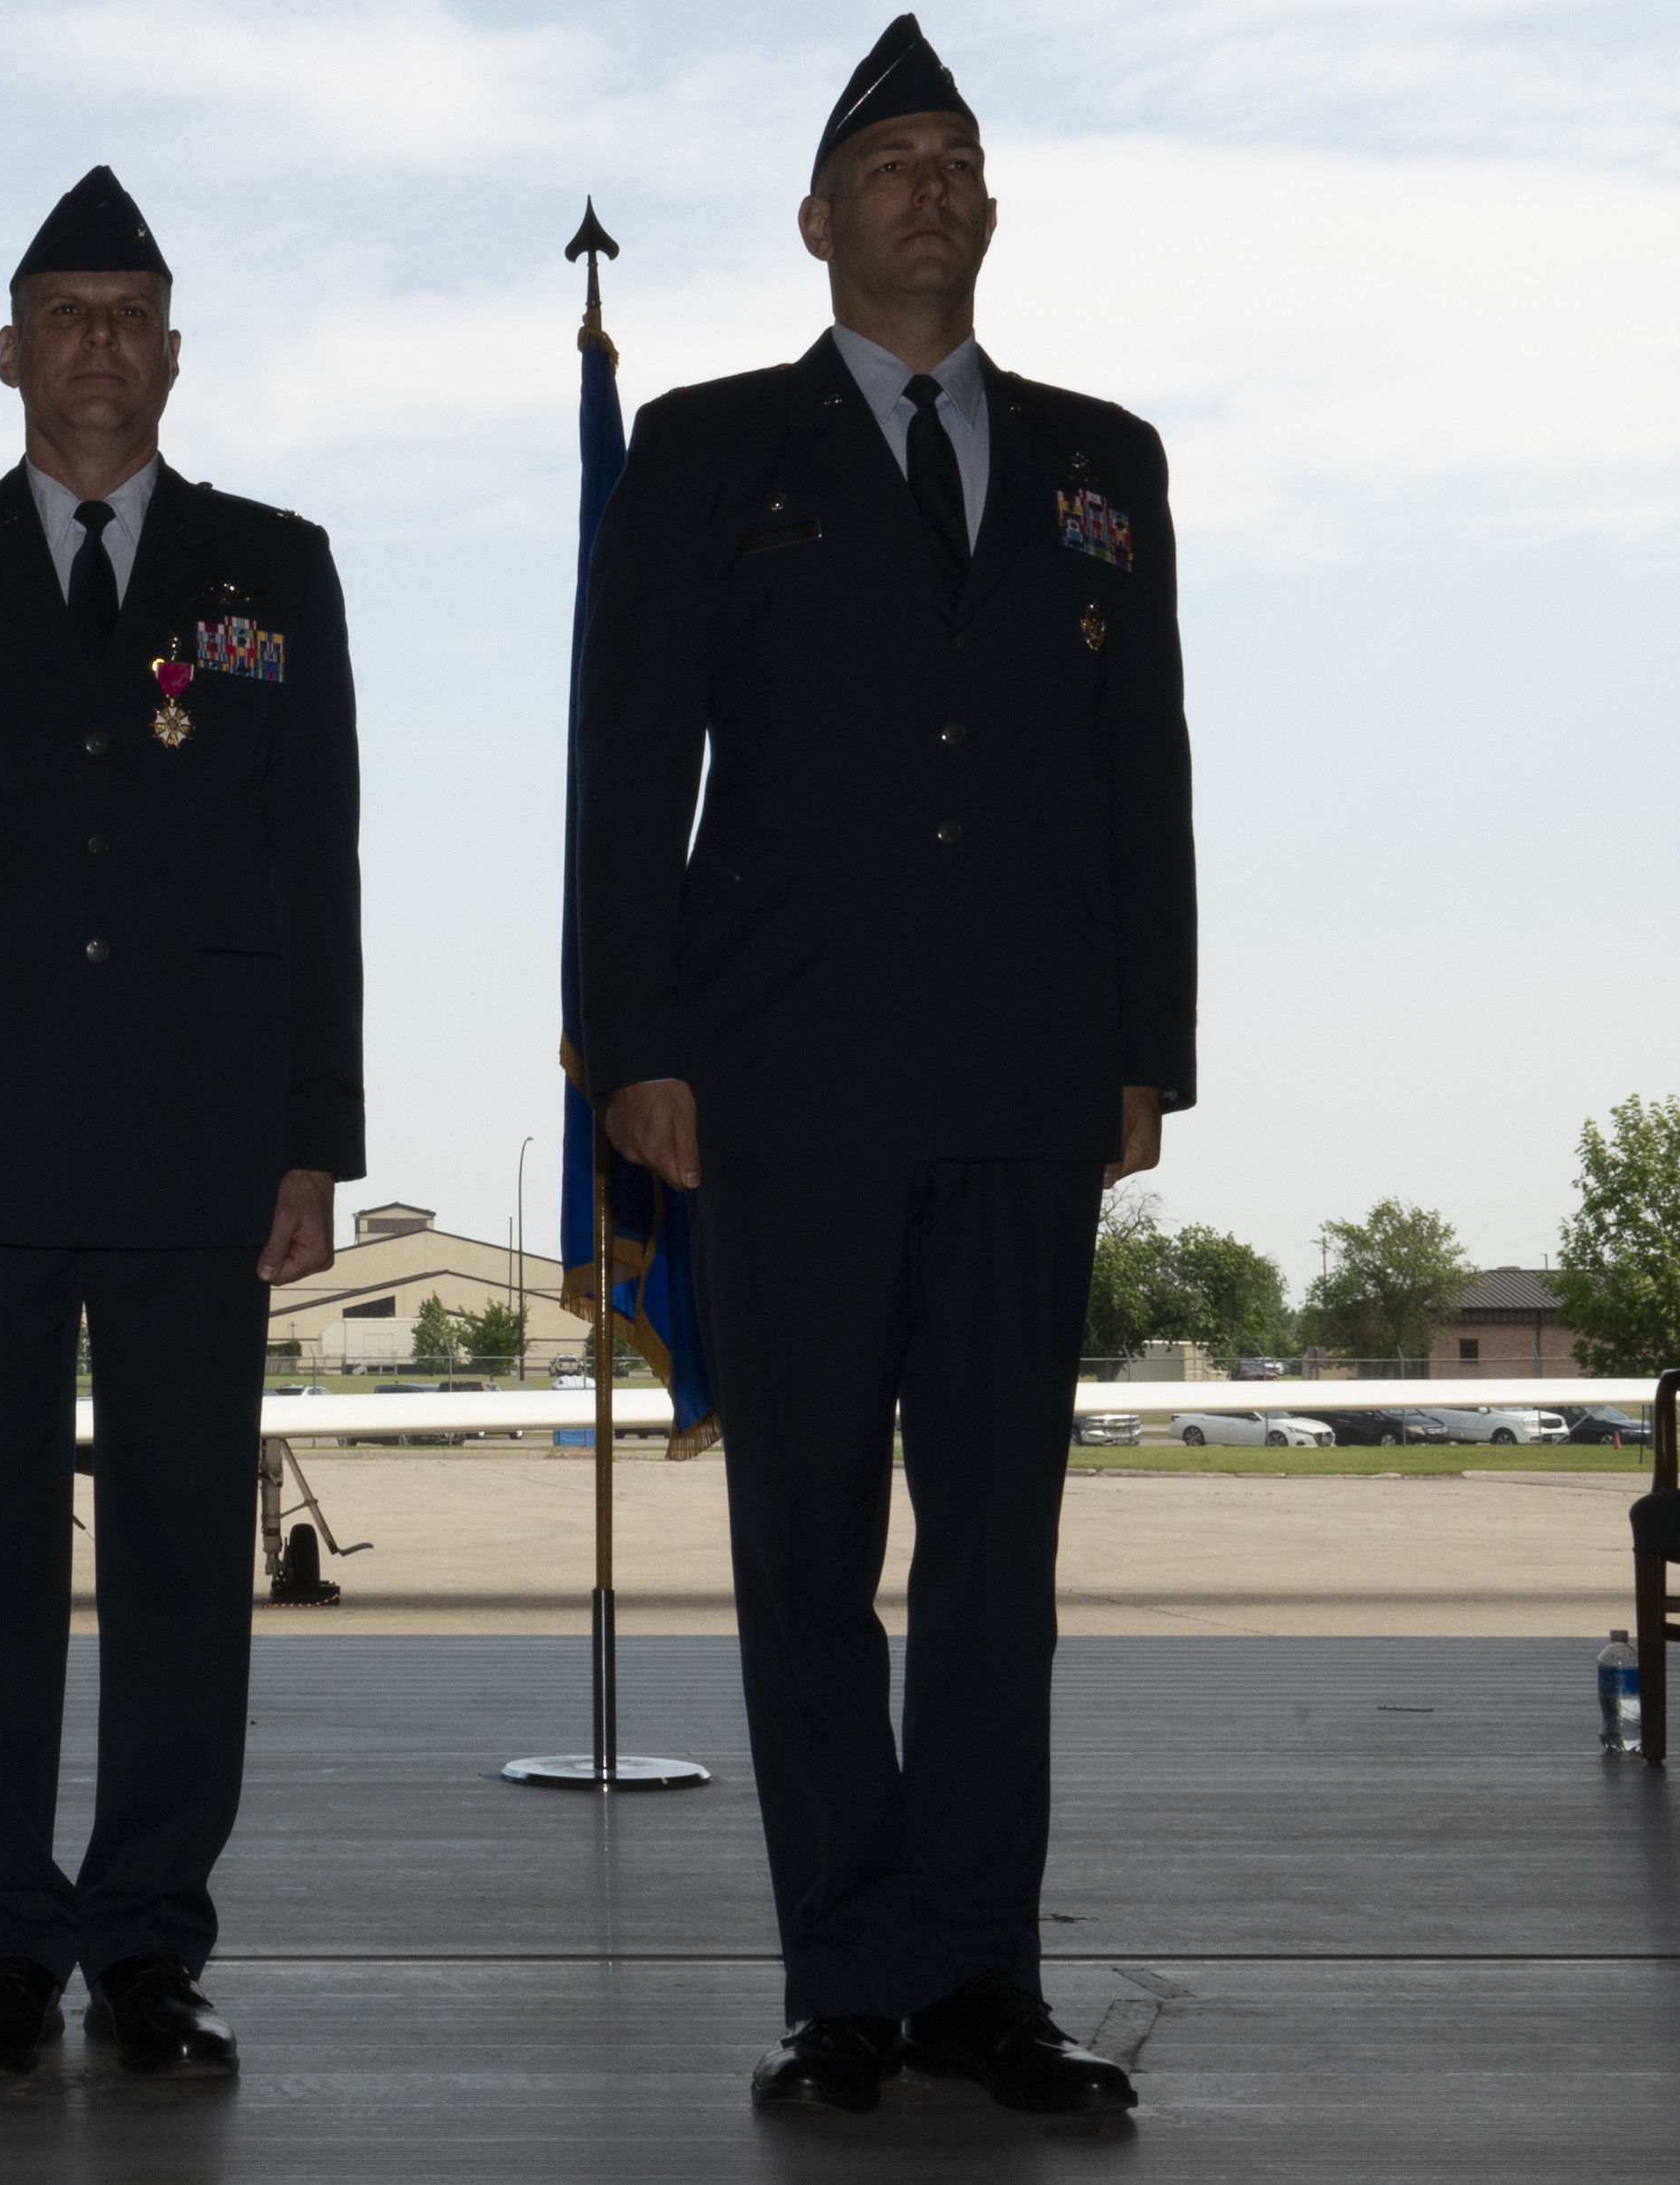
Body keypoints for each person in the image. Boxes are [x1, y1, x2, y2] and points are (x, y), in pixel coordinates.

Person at [573, 15, 1190, 2119]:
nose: (928, 181)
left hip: (1028, 1079)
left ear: (988, 209)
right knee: (807, 1546)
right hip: (786, 1081)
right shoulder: (705, 449)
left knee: (996, 1554)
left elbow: (1143, 773)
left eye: (958, 154)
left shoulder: (1107, 460)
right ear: (821, 221)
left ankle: (977, 1981)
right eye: (889, 159)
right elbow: (624, 767)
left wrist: (1148, 1047)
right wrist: (632, 1047)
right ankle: (844, 1975)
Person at [0, 166, 363, 2080]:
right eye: (66, 309)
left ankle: (144, 1939)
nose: (98, 340)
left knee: (190, 1556)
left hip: (204, 1137)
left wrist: (316, 1131)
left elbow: (318, 865)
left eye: (131, 310)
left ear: (175, 352)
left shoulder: (271, 571)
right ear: (9, 350)